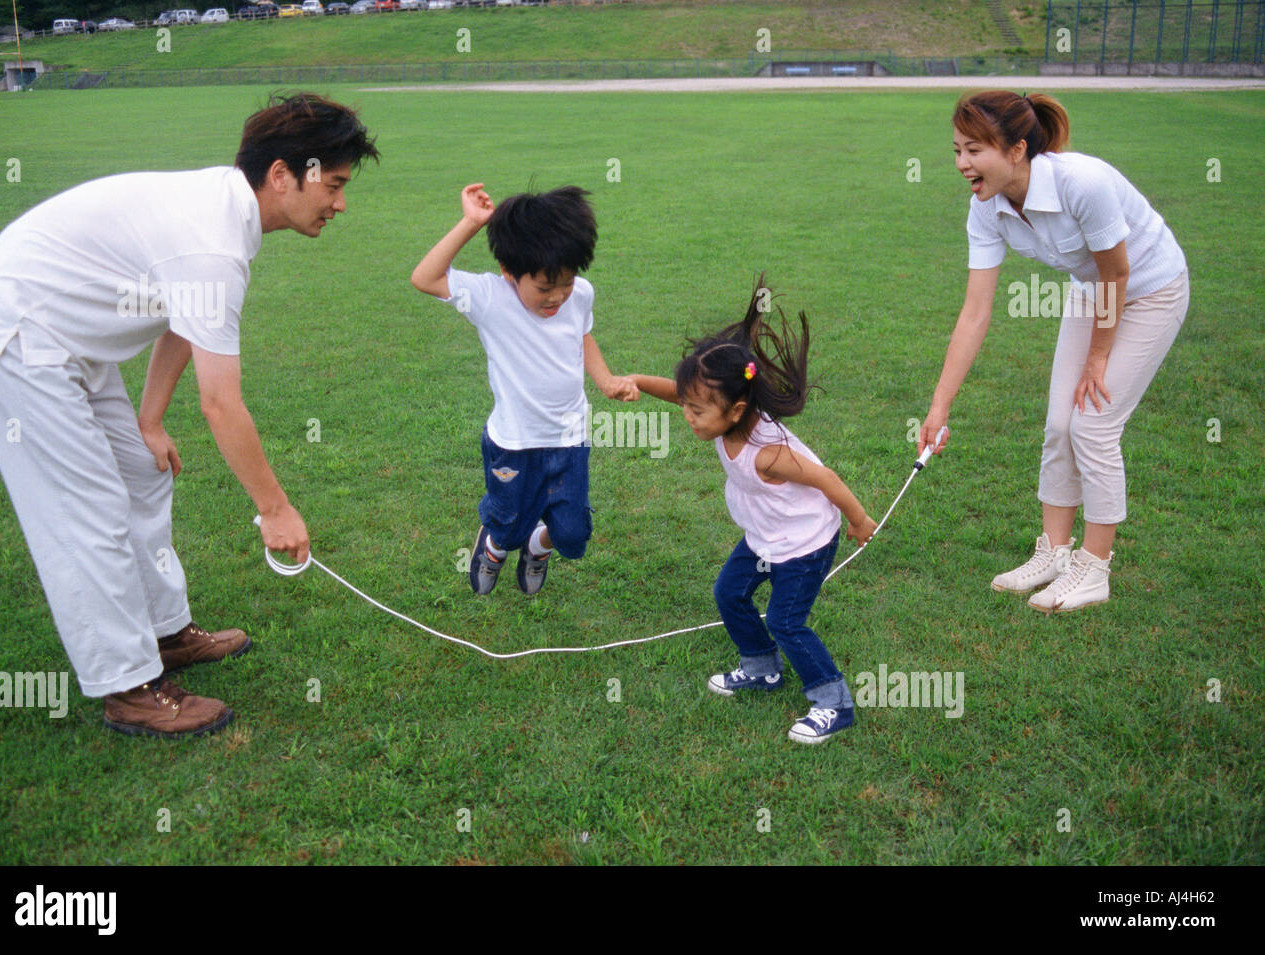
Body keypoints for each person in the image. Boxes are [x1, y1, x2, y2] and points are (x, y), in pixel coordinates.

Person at [0, 92, 379, 737]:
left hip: (74, 341)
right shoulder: (212, 243)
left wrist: (149, 420)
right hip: (21, 336)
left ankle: (165, 634)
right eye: (334, 183)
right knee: (87, 510)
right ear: (281, 175)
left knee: (141, 469)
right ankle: (127, 687)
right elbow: (221, 402)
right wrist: (275, 509)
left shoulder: (226, 214)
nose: (341, 203)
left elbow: (182, 322)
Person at [921, 90, 1189, 614]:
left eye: (974, 150)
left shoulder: (1081, 183)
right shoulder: (987, 209)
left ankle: (1094, 570)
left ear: (1016, 150)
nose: (961, 164)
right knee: (1059, 423)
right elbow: (975, 312)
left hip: (1152, 289)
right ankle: (1054, 554)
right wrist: (938, 407)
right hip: (1094, 291)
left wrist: (1097, 359)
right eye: (956, 150)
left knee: (1092, 423)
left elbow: (1118, 271)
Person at [629, 280, 877, 744]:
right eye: (688, 405)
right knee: (729, 593)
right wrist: (638, 383)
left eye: (698, 411)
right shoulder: (725, 417)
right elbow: (677, 393)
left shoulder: (768, 453)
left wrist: (860, 520)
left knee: (786, 620)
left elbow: (826, 479)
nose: (688, 416)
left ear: (736, 409)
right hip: (763, 537)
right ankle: (762, 669)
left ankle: (834, 701)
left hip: (804, 545)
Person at [410, 182, 637, 597]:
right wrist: (471, 223)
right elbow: (425, 277)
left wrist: (604, 380)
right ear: (509, 273)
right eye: (545, 287)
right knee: (508, 524)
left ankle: (538, 546)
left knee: (572, 535)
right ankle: (496, 547)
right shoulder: (489, 298)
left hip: (570, 441)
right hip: (513, 444)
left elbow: (582, 337)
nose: (558, 297)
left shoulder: (580, 295)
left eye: (566, 282)